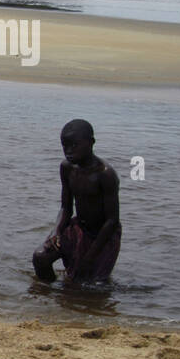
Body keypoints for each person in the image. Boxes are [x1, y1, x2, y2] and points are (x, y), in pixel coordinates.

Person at [33, 119, 121, 284]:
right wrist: (56, 232)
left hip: (103, 235)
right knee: (41, 258)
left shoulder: (105, 174)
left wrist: (90, 256)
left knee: (87, 282)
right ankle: (48, 297)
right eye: (64, 146)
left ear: (91, 143)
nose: (68, 151)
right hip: (79, 227)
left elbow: (112, 220)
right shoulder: (67, 168)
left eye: (74, 145)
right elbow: (66, 207)